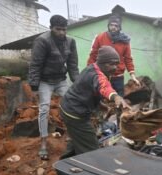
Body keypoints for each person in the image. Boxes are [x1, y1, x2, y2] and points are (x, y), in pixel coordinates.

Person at [60, 45, 131, 158]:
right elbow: (104, 87)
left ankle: (66, 161)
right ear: (102, 62)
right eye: (111, 64)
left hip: (68, 108)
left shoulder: (93, 68)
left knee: (77, 137)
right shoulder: (97, 75)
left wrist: (101, 105)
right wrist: (116, 97)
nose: (114, 67)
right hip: (75, 113)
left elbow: (89, 91)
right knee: (91, 149)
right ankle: (88, 169)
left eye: (116, 64)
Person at [28, 15, 79, 160]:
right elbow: (35, 65)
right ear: (51, 28)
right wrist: (34, 87)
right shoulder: (42, 41)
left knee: (71, 105)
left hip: (61, 79)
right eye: (58, 29)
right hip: (45, 81)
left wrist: (77, 83)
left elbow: (73, 65)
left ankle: (71, 135)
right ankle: (43, 142)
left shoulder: (70, 42)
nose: (62, 33)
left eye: (64, 29)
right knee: (44, 108)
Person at [87, 15, 140, 96]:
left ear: (119, 27)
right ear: (108, 26)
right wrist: (89, 73)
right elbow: (93, 55)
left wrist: (133, 76)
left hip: (118, 76)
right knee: (101, 99)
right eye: (111, 25)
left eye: (116, 26)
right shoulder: (100, 37)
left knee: (119, 100)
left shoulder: (125, 41)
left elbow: (128, 59)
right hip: (102, 75)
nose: (113, 27)